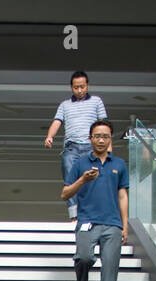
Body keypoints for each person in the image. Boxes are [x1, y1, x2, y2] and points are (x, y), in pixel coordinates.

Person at [61, 119, 129, 281]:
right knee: (84, 257)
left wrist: (125, 226)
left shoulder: (119, 164)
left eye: (105, 136)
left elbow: (122, 195)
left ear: (110, 139)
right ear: (90, 139)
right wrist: (83, 179)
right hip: (86, 221)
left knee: (110, 265)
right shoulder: (80, 164)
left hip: (113, 224)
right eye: (97, 136)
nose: (101, 140)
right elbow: (65, 194)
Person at [45, 71, 107, 222]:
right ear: (71, 88)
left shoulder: (97, 101)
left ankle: (92, 212)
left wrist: (107, 147)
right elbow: (57, 121)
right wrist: (49, 136)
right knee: (69, 173)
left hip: (91, 147)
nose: (79, 90)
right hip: (71, 147)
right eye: (76, 87)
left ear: (87, 86)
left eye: (82, 87)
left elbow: (103, 124)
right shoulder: (64, 105)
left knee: (94, 180)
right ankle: (74, 215)